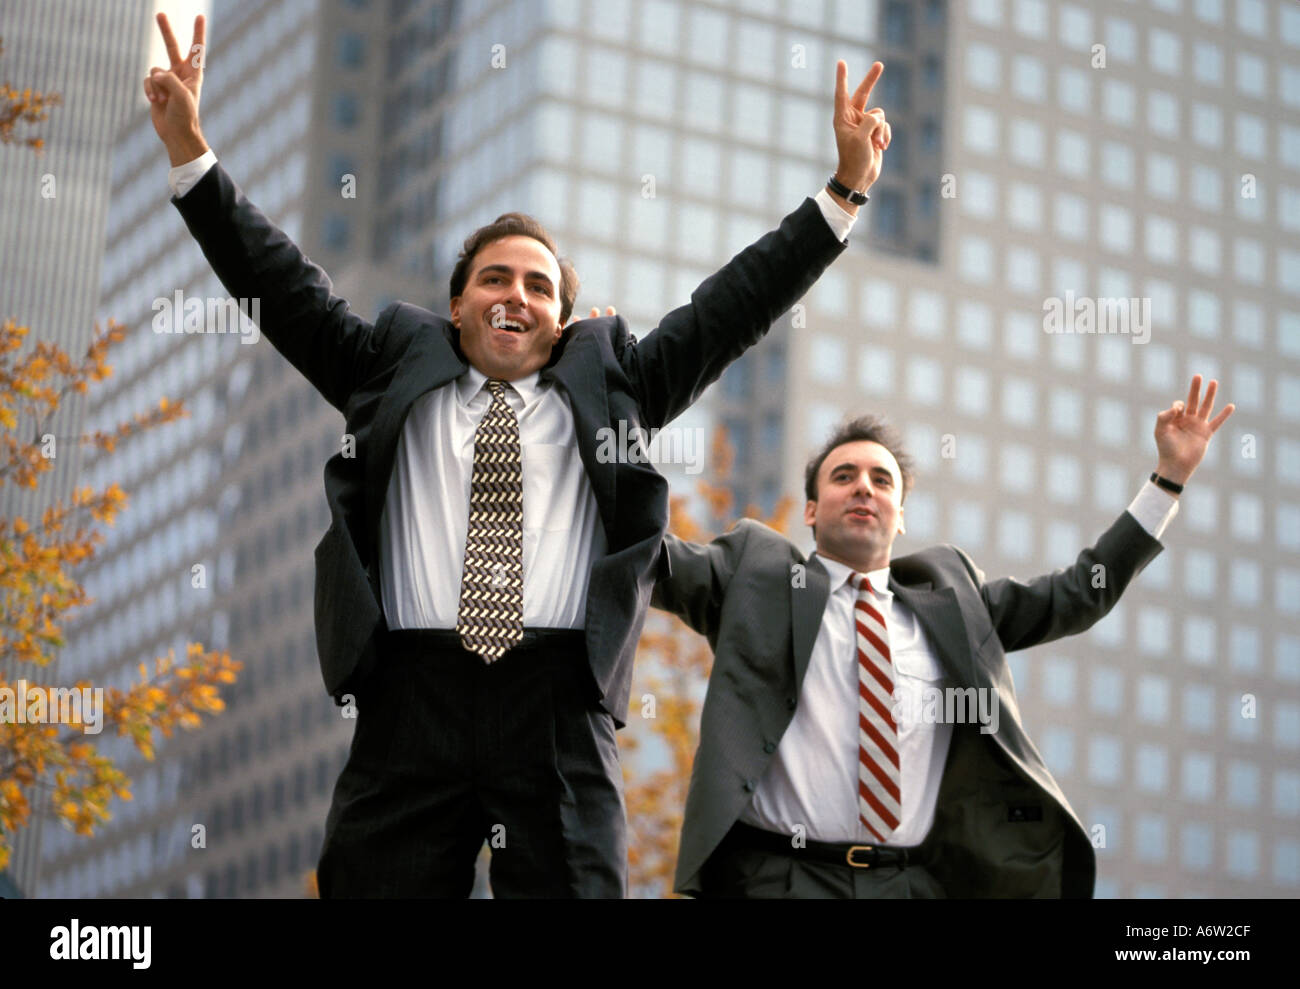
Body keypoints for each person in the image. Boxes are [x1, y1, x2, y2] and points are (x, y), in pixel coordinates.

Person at [143, 13, 892, 897]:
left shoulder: (618, 388)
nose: (516, 295)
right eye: (495, 278)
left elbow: (733, 305)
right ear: (456, 306)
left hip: (557, 709)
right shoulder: (383, 368)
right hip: (407, 704)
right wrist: (192, 152)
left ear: (565, 321)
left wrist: (842, 192)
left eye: (540, 284)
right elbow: (277, 281)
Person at [653, 376, 1234, 898]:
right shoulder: (755, 575)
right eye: (844, 476)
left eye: (882, 480)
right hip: (779, 879)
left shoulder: (954, 602)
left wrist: (1168, 480)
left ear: (900, 515)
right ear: (810, 511)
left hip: (910, 882)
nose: (864, 488)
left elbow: (1080, 593)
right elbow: (648, 559)